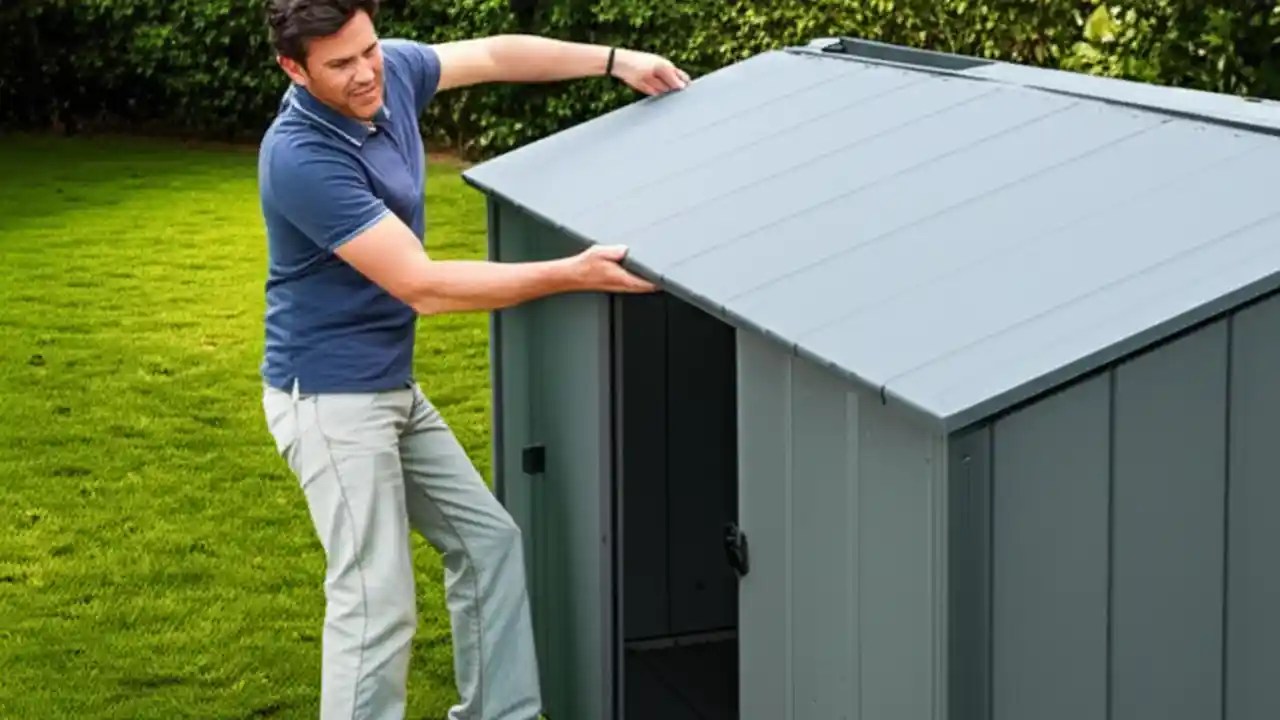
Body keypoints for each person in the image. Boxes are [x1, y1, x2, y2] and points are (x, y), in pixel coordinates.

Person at [256, 1, 689, 718]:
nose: (368, 73)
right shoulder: (300, 156)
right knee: (375, 602)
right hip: (331, 400)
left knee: (488, 543)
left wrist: (616, 61)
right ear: (293, 69)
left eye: (368, 49)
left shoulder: (387, 71)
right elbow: (422, 285)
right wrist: (568, 272)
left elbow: (492, 57)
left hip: (387, 382)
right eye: (341, 64)